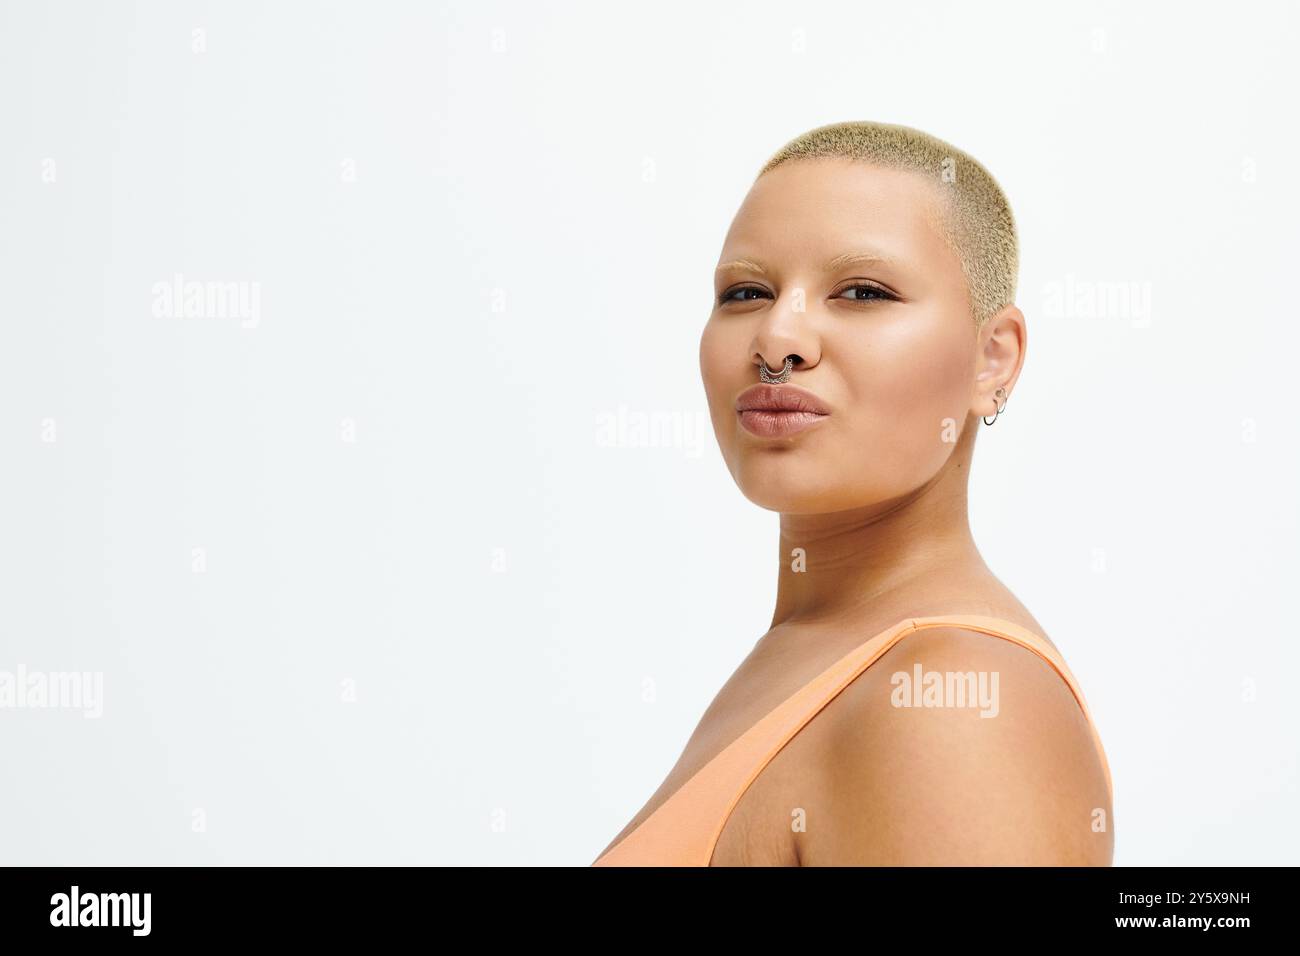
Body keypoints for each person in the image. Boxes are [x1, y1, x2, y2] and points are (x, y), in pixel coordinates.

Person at [593, 121, 1113, 866]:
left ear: (992, 359)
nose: (778, 340)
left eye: (863, 292)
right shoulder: (810, 654)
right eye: (746, 291)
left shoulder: (954, 700)